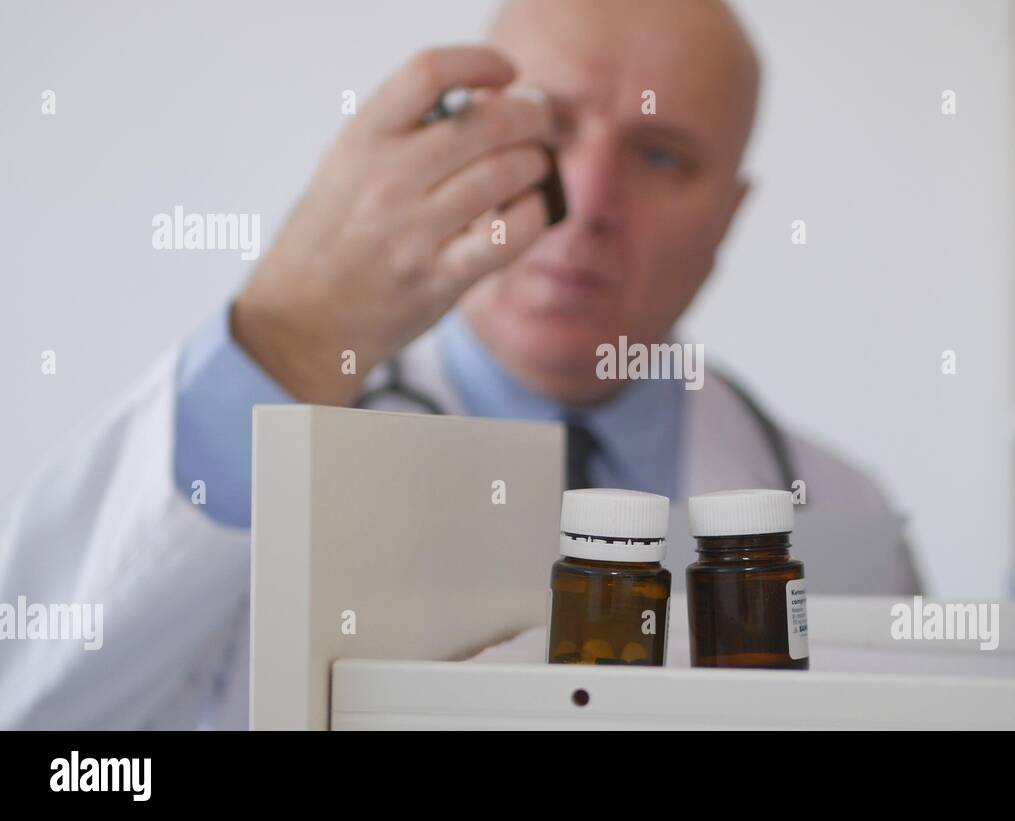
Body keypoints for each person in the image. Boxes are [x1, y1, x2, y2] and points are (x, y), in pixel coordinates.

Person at [0, 0, 919, 729]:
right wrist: (288, 334)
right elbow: (40, 708)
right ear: (461, 134)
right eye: (550, 127)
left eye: (659, 153)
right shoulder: (255, 467)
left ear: (728, 215)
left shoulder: (841, 515)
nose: (589, 200)